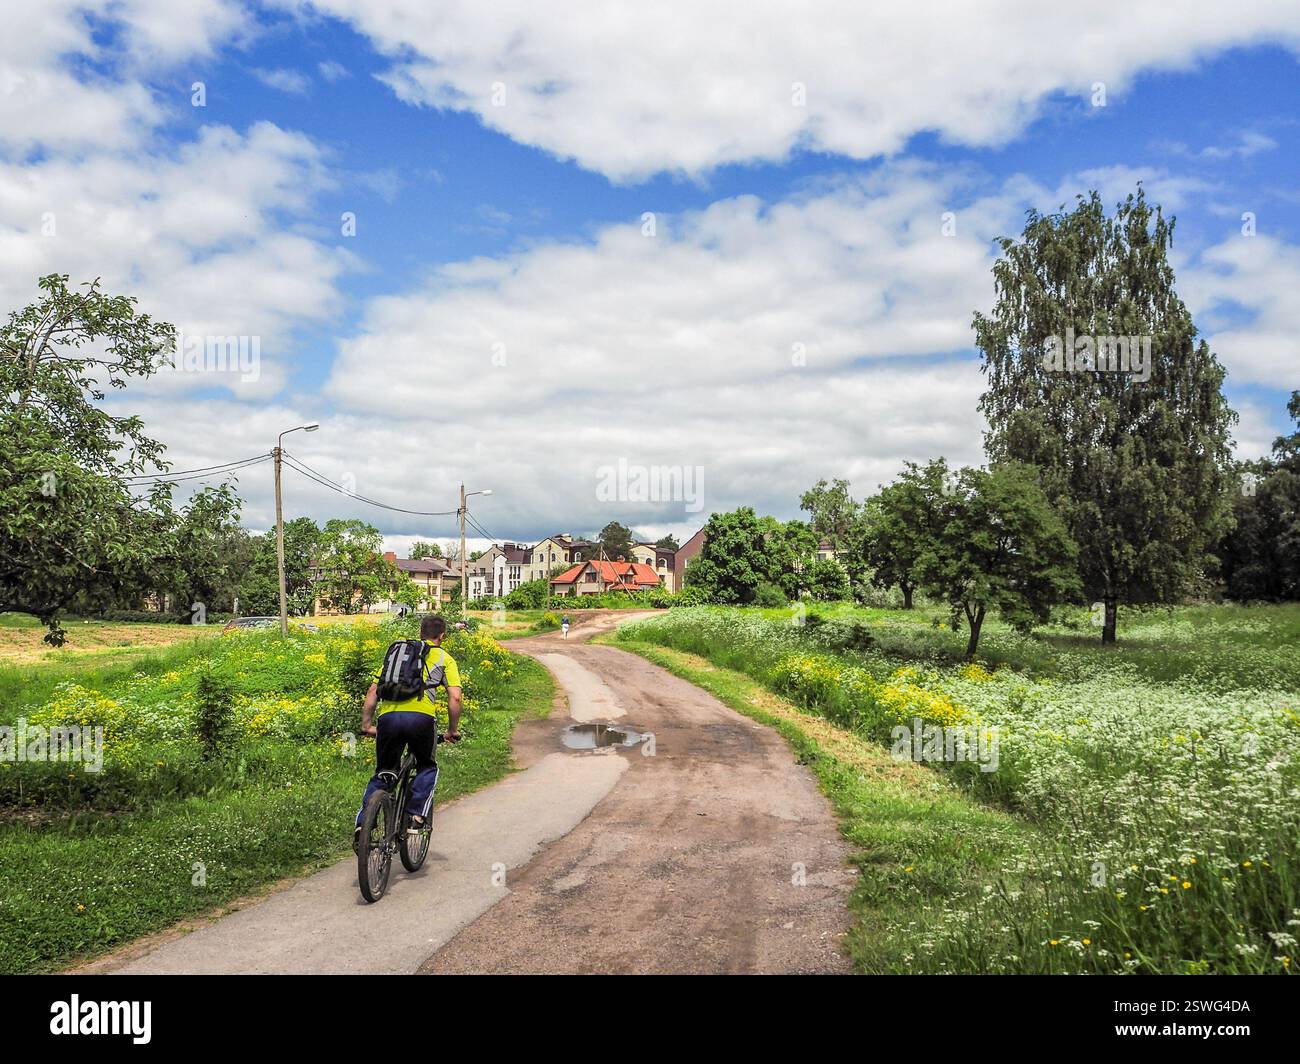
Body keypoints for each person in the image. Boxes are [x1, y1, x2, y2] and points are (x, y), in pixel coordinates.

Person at [354, 614, 462, 852]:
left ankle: (363, 825)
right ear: (442, 636)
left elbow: (372, 692)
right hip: (421, 721)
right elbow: (455, 697)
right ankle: (416, 816)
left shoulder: (398, 656)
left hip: (388, 720)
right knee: (427, 766)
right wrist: (452, 730)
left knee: (384, 772)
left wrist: (366, 726)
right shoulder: (444, 658)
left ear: (420, 632)